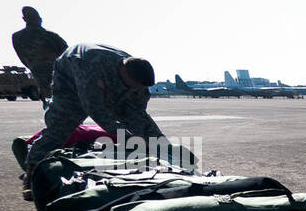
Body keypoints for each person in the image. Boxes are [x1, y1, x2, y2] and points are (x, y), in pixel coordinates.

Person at [22, 44, 187, 180]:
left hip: (109, 80)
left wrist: (155, 143)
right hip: (70, 79)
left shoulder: (136, 80)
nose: (136, 91)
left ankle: (171, 164)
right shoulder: (89, 68)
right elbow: (96, 111)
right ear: (124, 73)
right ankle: (32, 170)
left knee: (143, 125)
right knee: (62, 126)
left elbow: (139, 114)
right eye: (134, 86)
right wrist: (129, 138)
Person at [10, 7, 67, 108]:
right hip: (57, 72)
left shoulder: (17, 37)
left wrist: (34, 65)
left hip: (37, 71)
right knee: (61, 98)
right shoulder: (50, 36)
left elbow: (22, 57)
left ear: (24, 19)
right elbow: (67, 54)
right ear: (39, 19)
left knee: (47, 98)